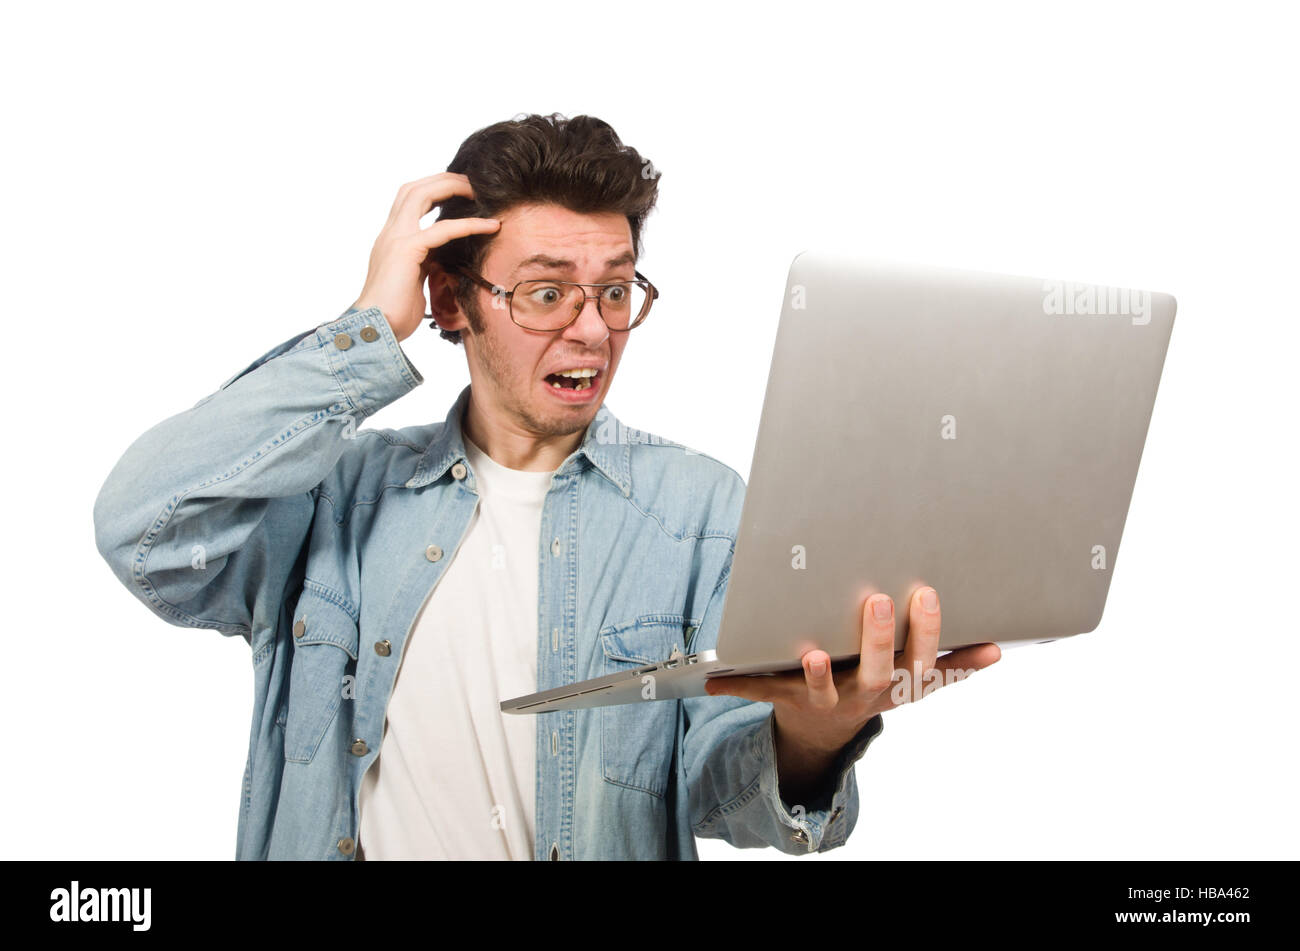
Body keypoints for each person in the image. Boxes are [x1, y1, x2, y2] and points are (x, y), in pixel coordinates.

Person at [93, 112, 1001, 860]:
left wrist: (814, 736)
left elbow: (732, 796)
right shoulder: (333, 499)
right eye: (543, 292)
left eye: (614, 290)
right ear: (451, 303)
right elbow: (145, 526)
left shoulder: (702, 514)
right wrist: (368, 327)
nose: (592, 329)